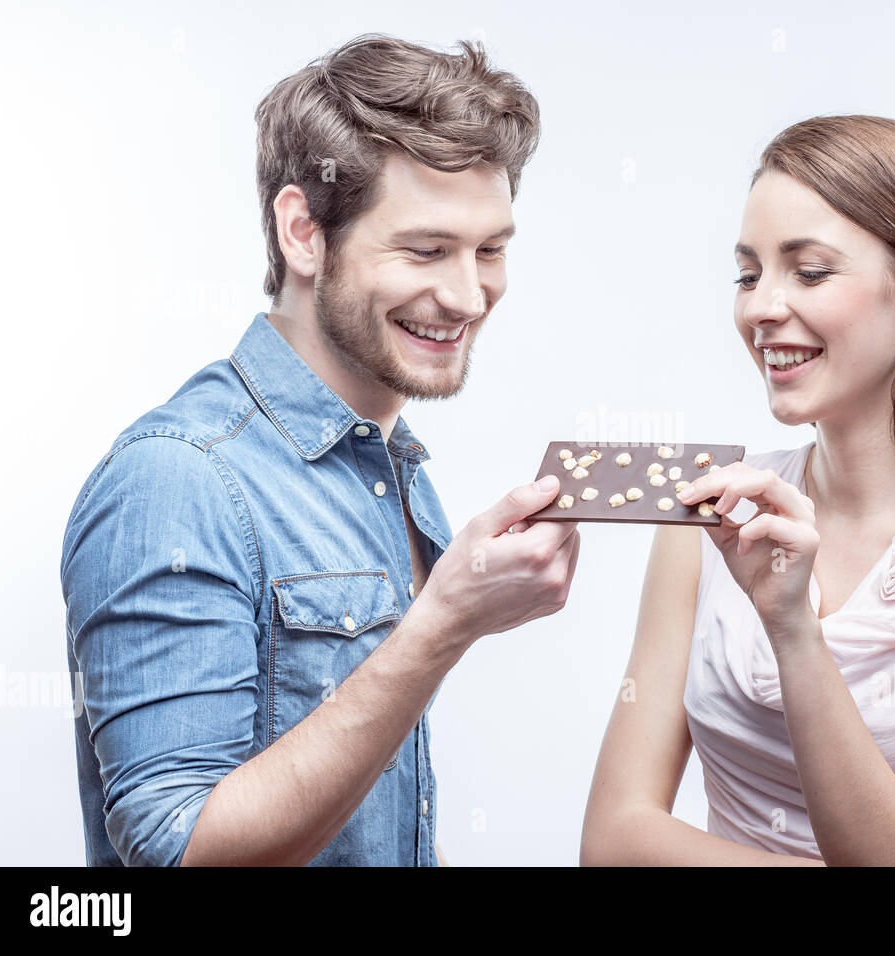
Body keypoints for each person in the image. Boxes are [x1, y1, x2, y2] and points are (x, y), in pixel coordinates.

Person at [60, 33, 580, 866]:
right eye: (425, 249)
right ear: (303, 231)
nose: (468, 294)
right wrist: (442, 625)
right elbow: (176, 850)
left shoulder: (388, 468)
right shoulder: (178, 477)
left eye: (491, 250)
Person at [581, 115, 895, 866]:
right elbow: (612, 840)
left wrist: (793, 629)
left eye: (810, 271)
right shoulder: (710, 515)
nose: (761, 308)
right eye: (748, 273)